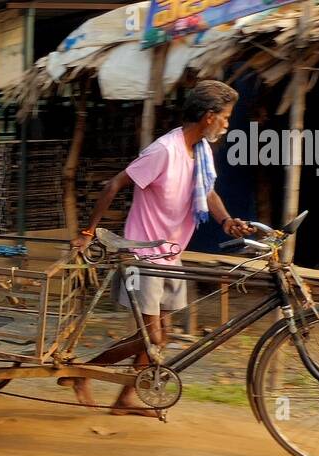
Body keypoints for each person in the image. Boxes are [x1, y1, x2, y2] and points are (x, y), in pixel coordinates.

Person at [69, 80, 255, 416]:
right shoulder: (163, 151)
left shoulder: (199, 151)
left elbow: (207, 192)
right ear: (210, 117)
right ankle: (82, 372)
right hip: (142, 256)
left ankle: (125, 399)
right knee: (151, 336)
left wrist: (227, 221)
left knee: (162, 335)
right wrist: (87, 231)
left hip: (171, 255)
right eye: (226, 117)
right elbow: (114, 184)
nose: (228, 123)